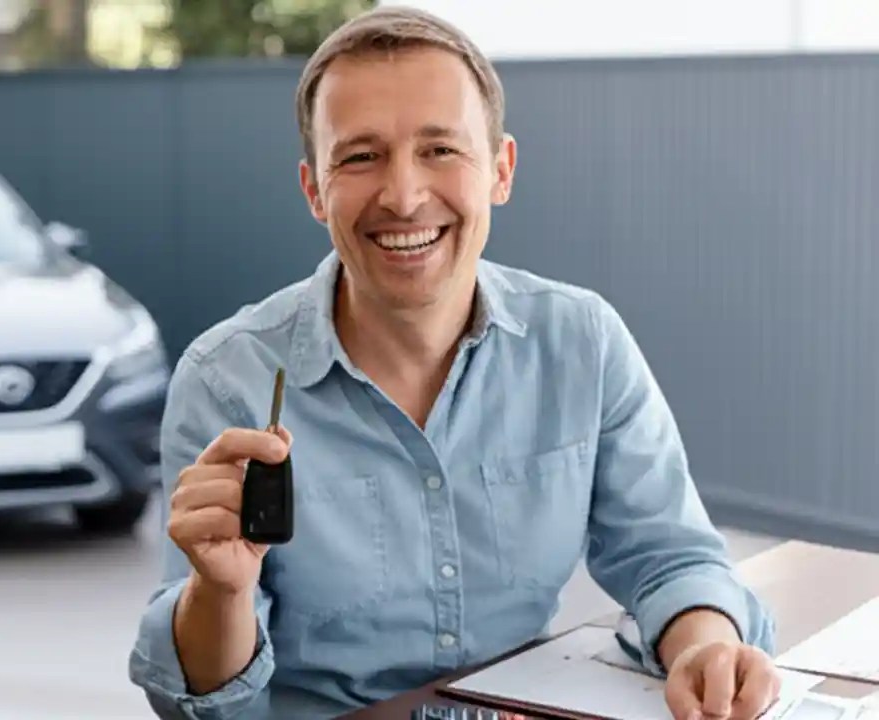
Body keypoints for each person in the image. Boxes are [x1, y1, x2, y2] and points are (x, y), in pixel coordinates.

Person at [128, 6, 778, 720]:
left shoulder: (582, 341)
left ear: (499, 170)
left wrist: (703, 648)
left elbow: (672, 557)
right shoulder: (228, 381)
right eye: (360, 156)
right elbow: (210, 712)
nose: (404, 197)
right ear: (315, 189)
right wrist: (218, 592)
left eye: (440, 150)